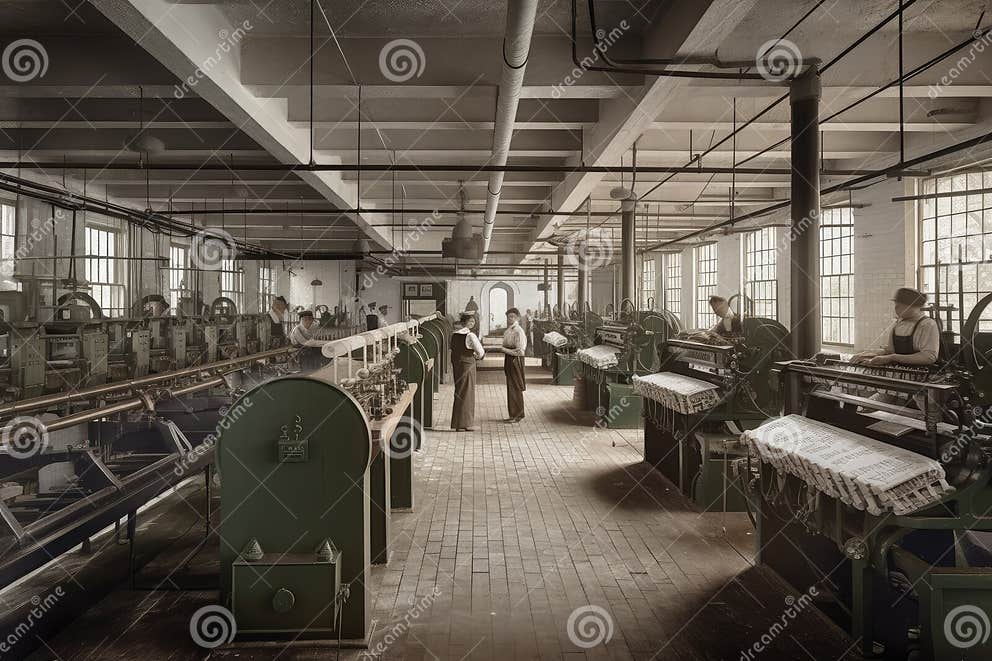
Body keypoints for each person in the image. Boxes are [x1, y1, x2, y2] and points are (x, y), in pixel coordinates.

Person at [852, 287, 940, 367]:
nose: (896, 308)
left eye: (899, 305)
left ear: (913, 306)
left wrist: (892, 358)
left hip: (921, 376)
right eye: (896, 305)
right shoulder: (898, 323)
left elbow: (929, 357)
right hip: (898, 372)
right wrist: (865, 355)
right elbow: (890, 350)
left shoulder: (927, 325)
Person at [450, 312, 485, 431]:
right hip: (468, 364)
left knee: (459, 391)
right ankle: (465, 424)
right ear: (465, 322)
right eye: (471, 321)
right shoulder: (470, 336)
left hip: (457, 365)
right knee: (468, 392)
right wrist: (476, 355)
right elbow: (481, 352)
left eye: (473, 321)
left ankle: (458, 424)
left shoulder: (454, 335)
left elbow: (454, 350)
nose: (473, 323)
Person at [494, 307, 527, 422]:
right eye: (508, 317)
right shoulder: (508, 331)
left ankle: (517, 415)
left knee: (516, 386)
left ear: (517, 317)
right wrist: (505, 350)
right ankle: (513, 414)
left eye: (513, 316)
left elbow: (521, 351)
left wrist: (504, 350)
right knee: (511, 386)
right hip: (509, 359)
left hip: (516, 360)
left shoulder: (519, 331)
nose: (510, 318)